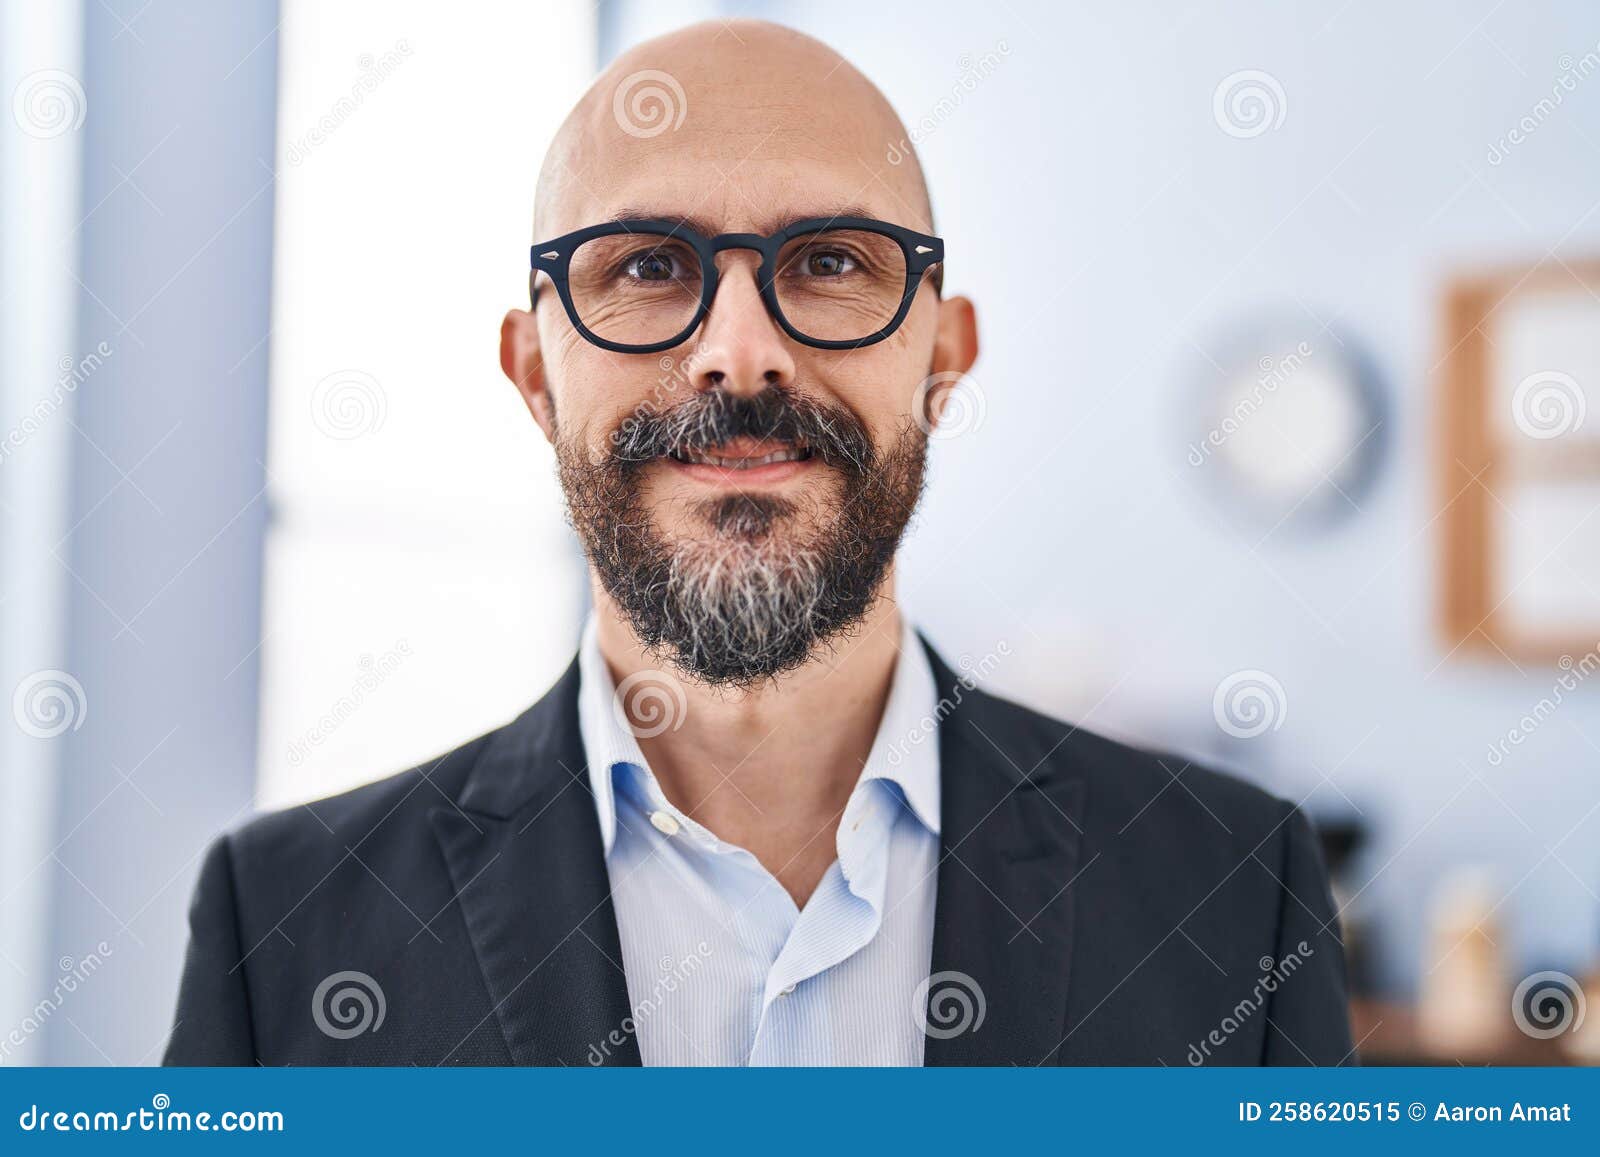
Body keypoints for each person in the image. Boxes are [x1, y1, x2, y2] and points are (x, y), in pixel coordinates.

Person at [165, 19, 1352, 1067]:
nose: (740, 352)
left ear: (942, 359)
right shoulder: (281, 926)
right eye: (645, 266)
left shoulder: (1237, 894)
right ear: (535, 375)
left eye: (831, 263)